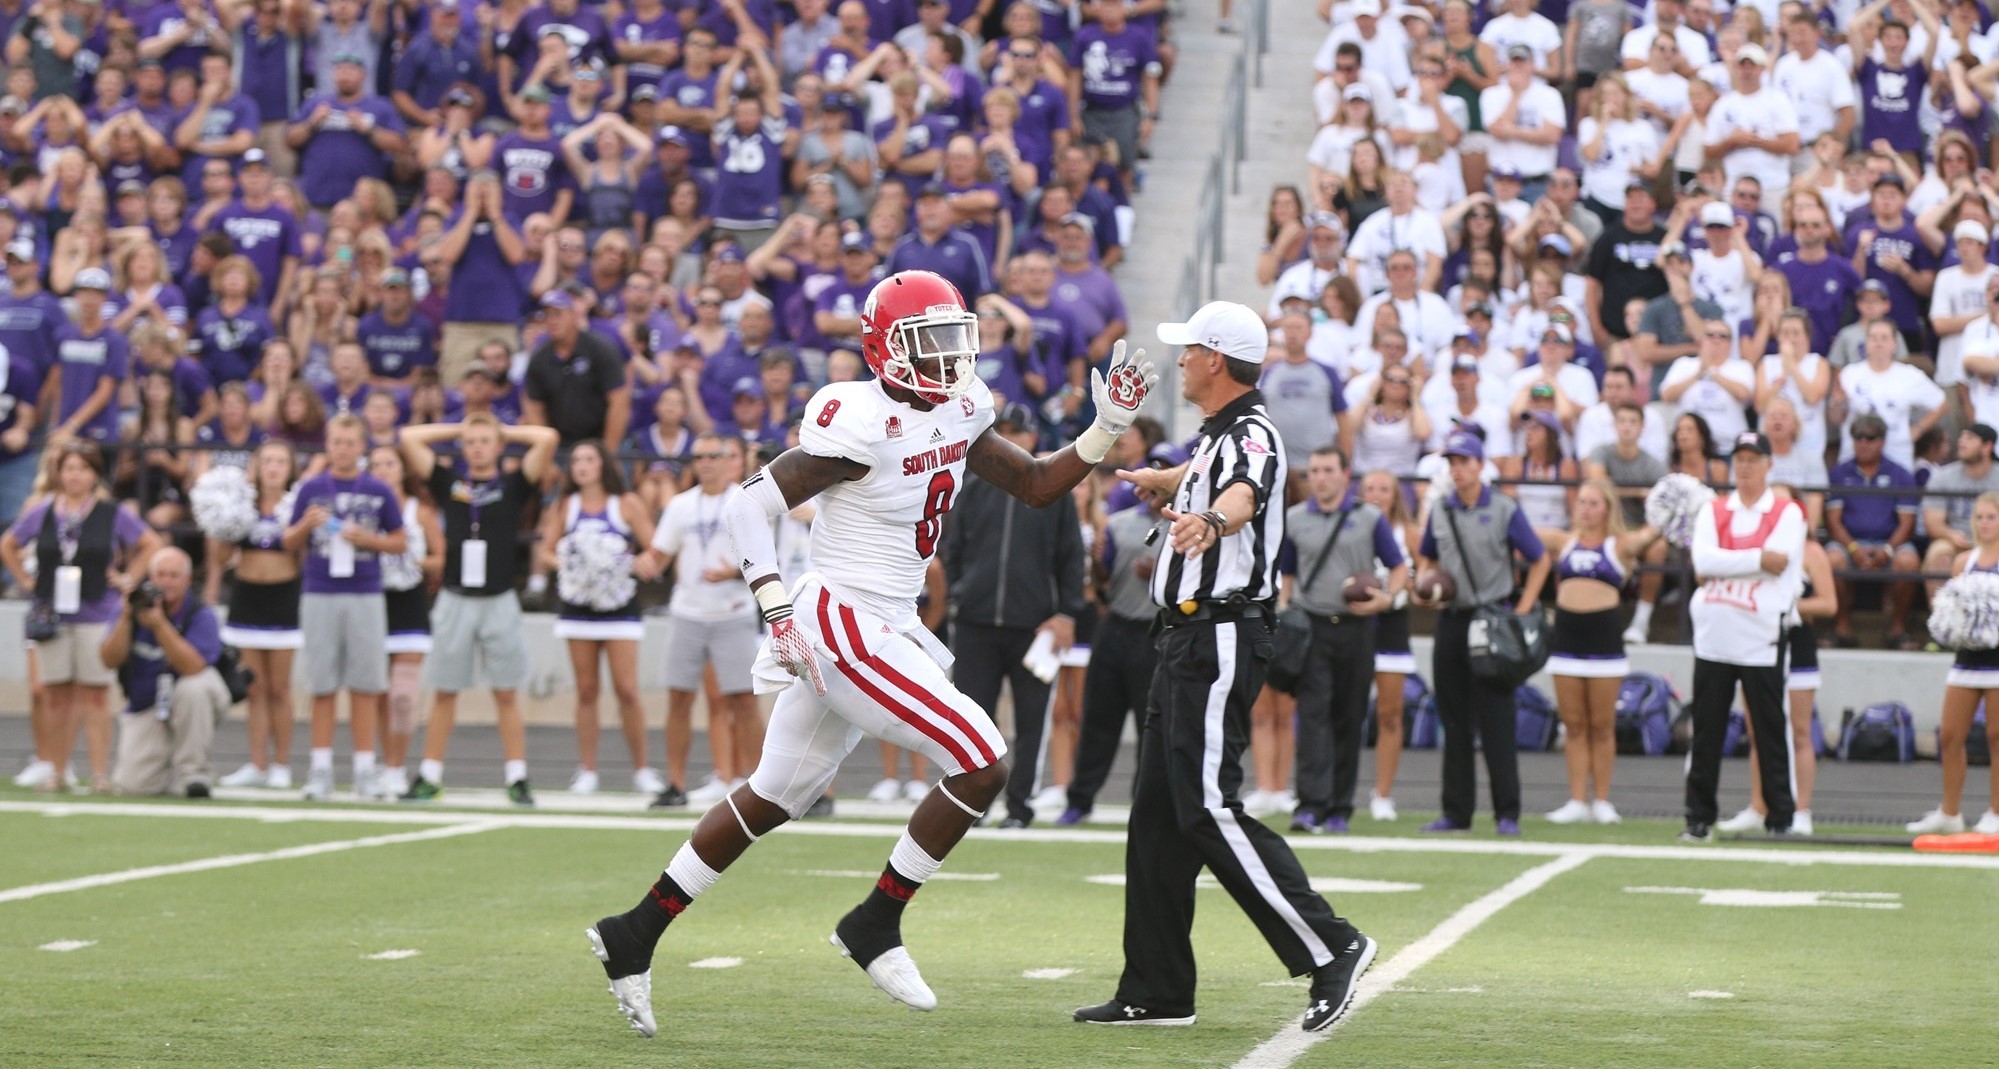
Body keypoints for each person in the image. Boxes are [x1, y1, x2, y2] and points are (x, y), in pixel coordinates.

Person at [584, 269, 1155, 1034]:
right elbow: (748, 505)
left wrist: (1104, 425)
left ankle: (631, 933)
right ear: (884, 349)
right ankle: (875, 922)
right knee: (983, 757)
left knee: (773, 793)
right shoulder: (856, 421)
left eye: (957, 336)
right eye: (931, 341)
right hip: (841, 616)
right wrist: (776, 611)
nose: (951, 355)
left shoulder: (960, 405)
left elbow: (1035, 483)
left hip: (886, 617)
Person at [1070, 300, 1372, 1031]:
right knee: (1155, 819)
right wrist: (1172, 480)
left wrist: (1209, 518)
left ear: (1214, 359)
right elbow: (1219, 474)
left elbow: (1243, 491)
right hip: (1184, 639)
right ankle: (1157, 985)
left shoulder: (1252, 435)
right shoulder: (1219, 437)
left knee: (1205, 803)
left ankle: (1331, 945)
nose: (1177, 361)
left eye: (1187, 350)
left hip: (1218, 634)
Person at [394, 416, 559, 805]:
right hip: (455, 598)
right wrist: (458, 429)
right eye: (472, 442)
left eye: (486, 441)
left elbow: (547, 436)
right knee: (445, 690)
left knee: (505, 692)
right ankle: (430, 775)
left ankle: (517, 776)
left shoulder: (513, 484)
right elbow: (408, 437)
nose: (478, 447)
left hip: (499, 598)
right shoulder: (449, 483)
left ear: (499, 445)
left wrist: (504, 431)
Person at [941, 401, 1087, 828]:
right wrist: (960, 595)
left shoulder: (1052, 493)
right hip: (975, 623)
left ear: (1032, 439)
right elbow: (953, 550)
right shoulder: (970, 487)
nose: (1009, 439)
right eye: (1001, 431)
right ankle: (971, 807)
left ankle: (1020, 807)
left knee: (1031, 721)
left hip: (1033, 625)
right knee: (971, 720)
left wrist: (1065, 613)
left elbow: (1071, 558)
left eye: (1016, 432)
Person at [0, 441, 161, 795]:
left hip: (95, 612)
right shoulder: (42, 512)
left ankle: (100, 773)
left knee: (95, 695)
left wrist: (128, 578)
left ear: (94, 475)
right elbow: (8, 544)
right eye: (69, 468)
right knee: (55, 694)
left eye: (82, 469)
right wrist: (26, 581)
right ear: (59, 473)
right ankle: (57, 770)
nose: (74, 475)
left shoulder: (110, 512)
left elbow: (149, 543)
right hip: (52, 613)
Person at [1411, 428, 1550, 835]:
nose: (1456, 470)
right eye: (1451, 463)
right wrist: (1427, 587)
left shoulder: (1504, 507)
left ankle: (1507, 813)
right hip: (1453, 617)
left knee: (1497, 721)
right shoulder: (1440, 510)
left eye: (1462, 462)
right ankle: (1456, 812)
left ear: (1479, 464)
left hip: (1491, 618)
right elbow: (1426, 559)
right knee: (1452, 720)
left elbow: (1539, 559)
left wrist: (1521, 610)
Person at [1682, 431, 1805, 841]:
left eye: (1754, 459)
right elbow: (1702, 560)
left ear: (1769, 464)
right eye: (1740, 459)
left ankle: (1780, 817)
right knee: (1707, 730)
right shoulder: (1714, 509)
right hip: (1715, 635)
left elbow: (1780, 561)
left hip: (1762, 634)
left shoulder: (1788, 511)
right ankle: (1698, 817)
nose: (1746, 467)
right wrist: (1755, 559)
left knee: (1769, 729)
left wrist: (1724, 564)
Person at [1281, 445, 1408, 835]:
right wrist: (1285, 608)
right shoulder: (1295, 519)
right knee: (1313, 714)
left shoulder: (1368, 518)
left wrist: (1386, 598)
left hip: (1356, 626)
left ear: (1344, 474)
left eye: (1327, 470)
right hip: (1313, 625)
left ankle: (1339, 807)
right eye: (1314, 470)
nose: (1320, 477)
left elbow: (1398, 566)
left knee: (1349, 717)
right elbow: (1287, 572)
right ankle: (1309, 805)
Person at [636, 432, 764, 808]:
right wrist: (646, 562)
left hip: (733, 611)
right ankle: (676, 782)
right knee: (679, 696)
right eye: (700, 456)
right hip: (688, 610)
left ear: (730, 460)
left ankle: (755, 783)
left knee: (743, 698)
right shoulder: (680, 505)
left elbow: (762, 560)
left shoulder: (745, 503)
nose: (705, 462)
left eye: (713, 455)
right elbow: (660, 554)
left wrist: (732, 574)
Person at [285, 414, 408, 801]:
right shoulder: (310, 488)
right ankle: (320, 768)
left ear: (362, 446)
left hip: (365, 591)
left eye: (350, 442)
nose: (342, 449)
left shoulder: (378, 490)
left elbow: (401, 540)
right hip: (319, 590)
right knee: (322, 683)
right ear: (327, 443)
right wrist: (306, 525)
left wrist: (367, 539)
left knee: (366, 684)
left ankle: (364, 770)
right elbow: (287, 541)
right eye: (336, 441)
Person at [1058, 446, 1172, 826]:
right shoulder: (1119, 523)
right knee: (1098, 719)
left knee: (1150, 723)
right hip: (1118, 623)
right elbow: (1103, 581)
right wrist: (1098, 561)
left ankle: (1145, 803)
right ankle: (1080, 799)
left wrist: (1158, 576)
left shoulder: (1186, 525)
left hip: (1157, 630)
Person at [541, 440, 661, 797]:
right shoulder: (566, 506)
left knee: (626, 690)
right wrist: (571, 564)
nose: (581, 465)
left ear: (603, 465)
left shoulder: (625, 503)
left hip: (620, 607)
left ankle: (642, 770)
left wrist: (640, 562)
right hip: (578, 607)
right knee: (587, 691)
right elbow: (546, 551)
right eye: (576, 459)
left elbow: (654, 548)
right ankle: (587, 770)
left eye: (589, 459)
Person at [1718, 482, 1834, 837]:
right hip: (1756, 647)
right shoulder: (1753, 551)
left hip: (1796, 647)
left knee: (1799, 731)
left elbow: (1829, 604)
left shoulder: (1811, 551)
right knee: (1759, 731)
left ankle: (1801, 811)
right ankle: (1759, 805)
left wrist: (1786, 606)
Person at [1544, 480, 1660, 824]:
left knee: (1602, 725)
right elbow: (1518, 528)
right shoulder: (1563, 542)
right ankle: (1577, 800)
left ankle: (1603, 801)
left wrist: (1671, 504)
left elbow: (1649, 536)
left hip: (1604, 640)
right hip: (1566, 639)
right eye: (1582, 502)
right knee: (1574, 725)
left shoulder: (1620, 545)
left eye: (1594, 503)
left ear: (1607, 508)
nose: (1586, 508)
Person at [100, 546, 230, 798]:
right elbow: (109, 660)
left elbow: (193, 667)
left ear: (187, 580)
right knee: (133, 786)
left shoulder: (200, 613)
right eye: (160, 574)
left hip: (193, 698)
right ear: (149, 577)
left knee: (194, 687)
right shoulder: (131, 607)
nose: (166, 582)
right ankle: (163, 770)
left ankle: (194, 774)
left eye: (173, 575)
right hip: (147, 704)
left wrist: (159, 625)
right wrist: (126, 619)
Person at [1909, 491, 1999, 835]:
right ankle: (1950, 812)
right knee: (1949, 734)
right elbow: (1953, 612)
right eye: (1979, 517)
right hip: (1967, 659)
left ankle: (1996, 812)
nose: (1984, 523)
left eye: (1991, 516)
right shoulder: (1964, 561)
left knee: (1996, 736)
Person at [215, 442, 303, 791]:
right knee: (254, 689)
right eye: (268, 461)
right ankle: (257, 763)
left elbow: (302, 554)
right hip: (246, 598)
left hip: (283, 599)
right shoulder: (242, 505)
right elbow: (221, 557)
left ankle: (281, 764)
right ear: (256, 466)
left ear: (290, 468)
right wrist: (226, 522)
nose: (274, 468)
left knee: (280, 689)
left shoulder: (297, 506)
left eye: (281, 461)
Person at [370, 443, 441, 800]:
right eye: (376, 464)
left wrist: (413, 561)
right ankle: (386, 764)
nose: (383, 470)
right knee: (379, 695)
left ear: (402, 469)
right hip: (372, 605)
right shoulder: (365, 512)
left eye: (390, 463)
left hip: (410, 607)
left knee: (402, 696)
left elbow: (441, 557)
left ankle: (397, 767)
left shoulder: (420, 511)